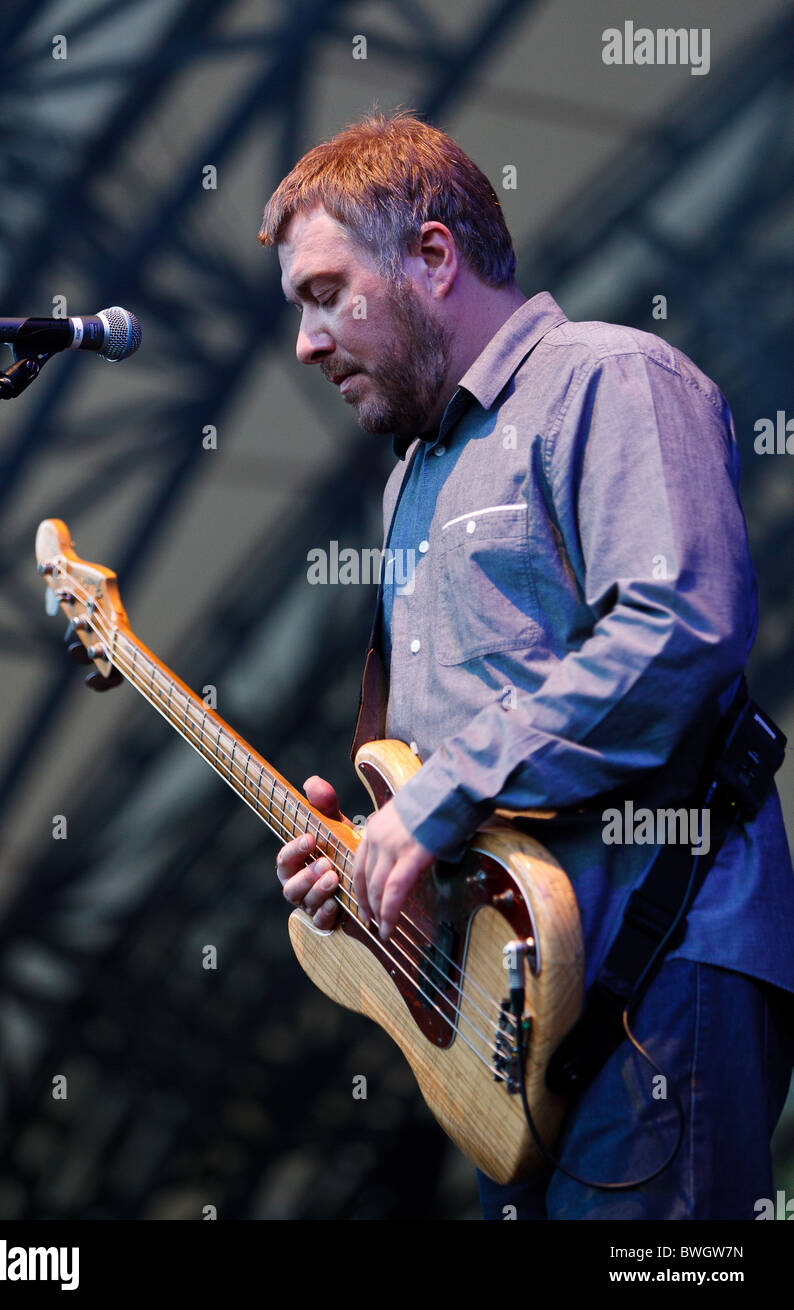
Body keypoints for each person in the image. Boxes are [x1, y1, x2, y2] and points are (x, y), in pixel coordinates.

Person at [258, 110, 794, 1220]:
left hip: (657, 978)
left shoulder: (610, 378)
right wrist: (373, 873)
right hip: (516, 1029)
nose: (305, 343)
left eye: (322, 294)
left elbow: (679, 624)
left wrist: (438, 802)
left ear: (433, 257)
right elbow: (461, 790)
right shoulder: (414, 478)